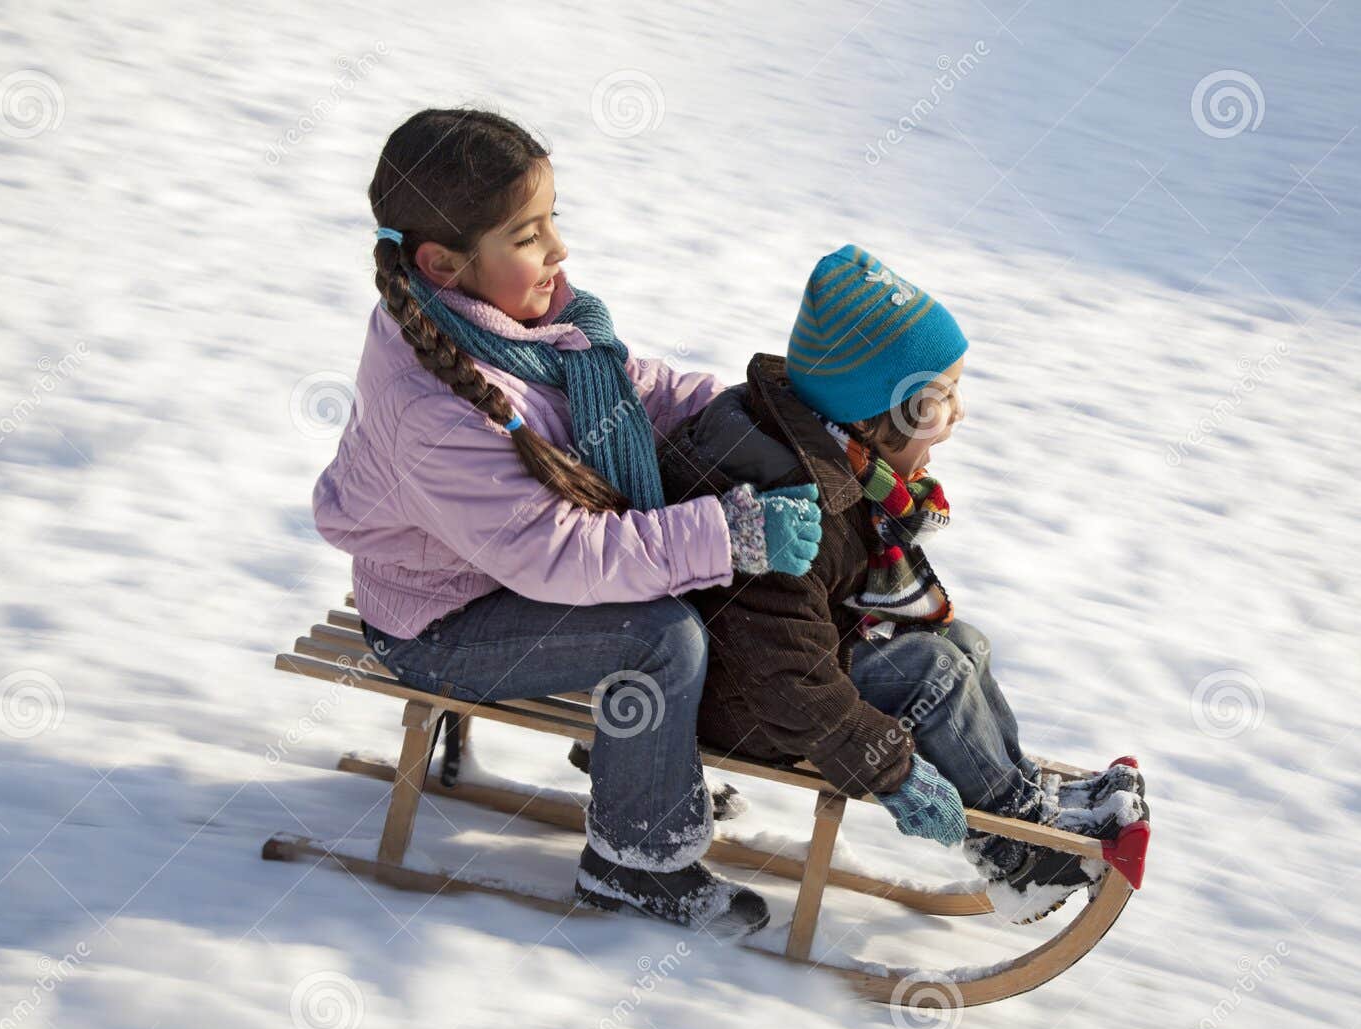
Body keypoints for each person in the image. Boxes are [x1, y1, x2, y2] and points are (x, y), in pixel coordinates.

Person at [311, 109, 823, 937]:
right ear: (443, 259)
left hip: (499, 578)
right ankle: (631, 857)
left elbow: (626, 391)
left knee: (682, 579)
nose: (559, 250)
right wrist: (726, 533)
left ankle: (635, 759)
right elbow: (567, 558)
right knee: (663, 633)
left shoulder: (489, 321)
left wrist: (741, 414)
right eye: (527, 234)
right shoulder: (435, 409)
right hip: (440, 625)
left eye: (554, 221)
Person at [658, 244, 1149, 923]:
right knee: (933, 672)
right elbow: (787, 674)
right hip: (742, 700)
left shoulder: (827, 453)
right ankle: (1016, 846)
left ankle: (1017, 788)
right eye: (941, 400)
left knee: (963, 645)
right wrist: (890, 767)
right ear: (874, 415)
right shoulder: (795, 505)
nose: (959, 417)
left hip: (777, 670)